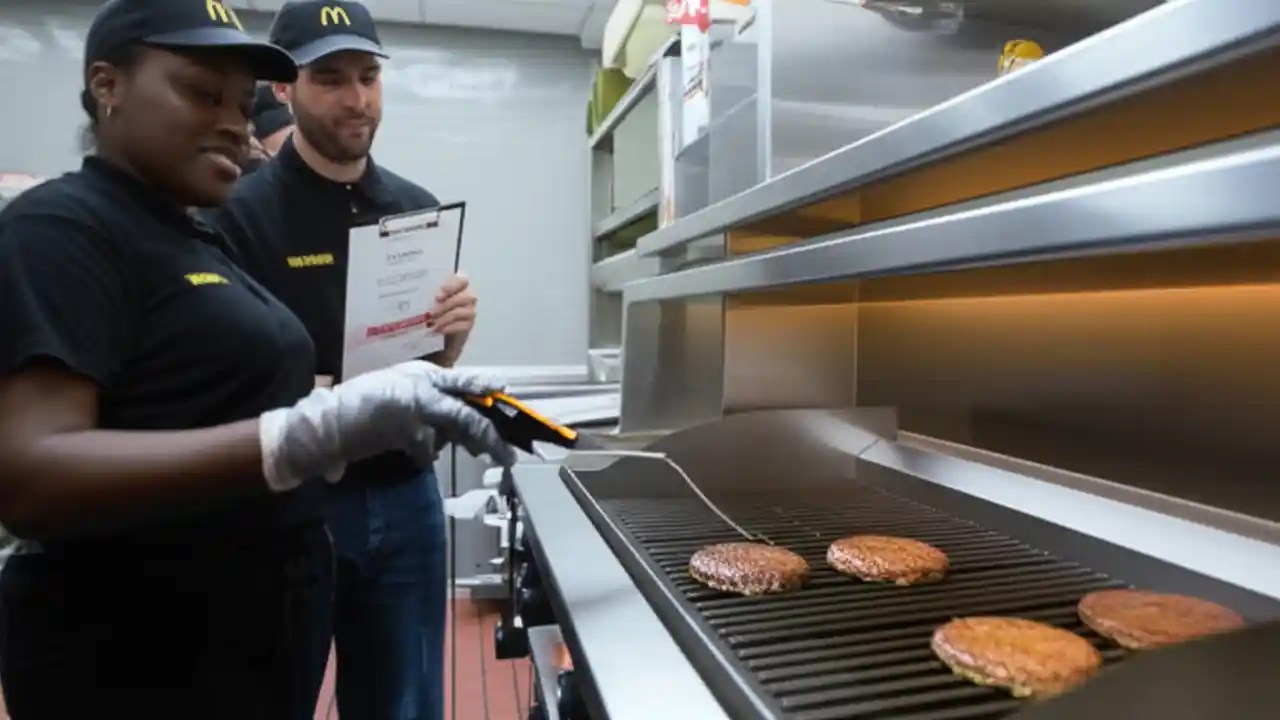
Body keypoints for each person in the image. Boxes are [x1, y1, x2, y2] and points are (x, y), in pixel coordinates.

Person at [0, 1, 513, 718]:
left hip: (251, 621)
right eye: (201, 93)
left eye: (238, 104)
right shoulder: (64, 227)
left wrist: (428, 358)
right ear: (107, 84)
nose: (232, 124)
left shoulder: (188, 238)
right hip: (144, 649)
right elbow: (29, 476)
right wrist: (310, 430)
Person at [206, 3, 478, 718]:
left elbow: (425, 367)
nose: (357, 98)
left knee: (406, 702)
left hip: (406, 492)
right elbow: (225, 379)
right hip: (295, 502)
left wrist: (450, 340)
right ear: (285, 90)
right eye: (331, 78)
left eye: (368, 76)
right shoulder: (238, 215)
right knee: (275, 694)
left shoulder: (414, 209)